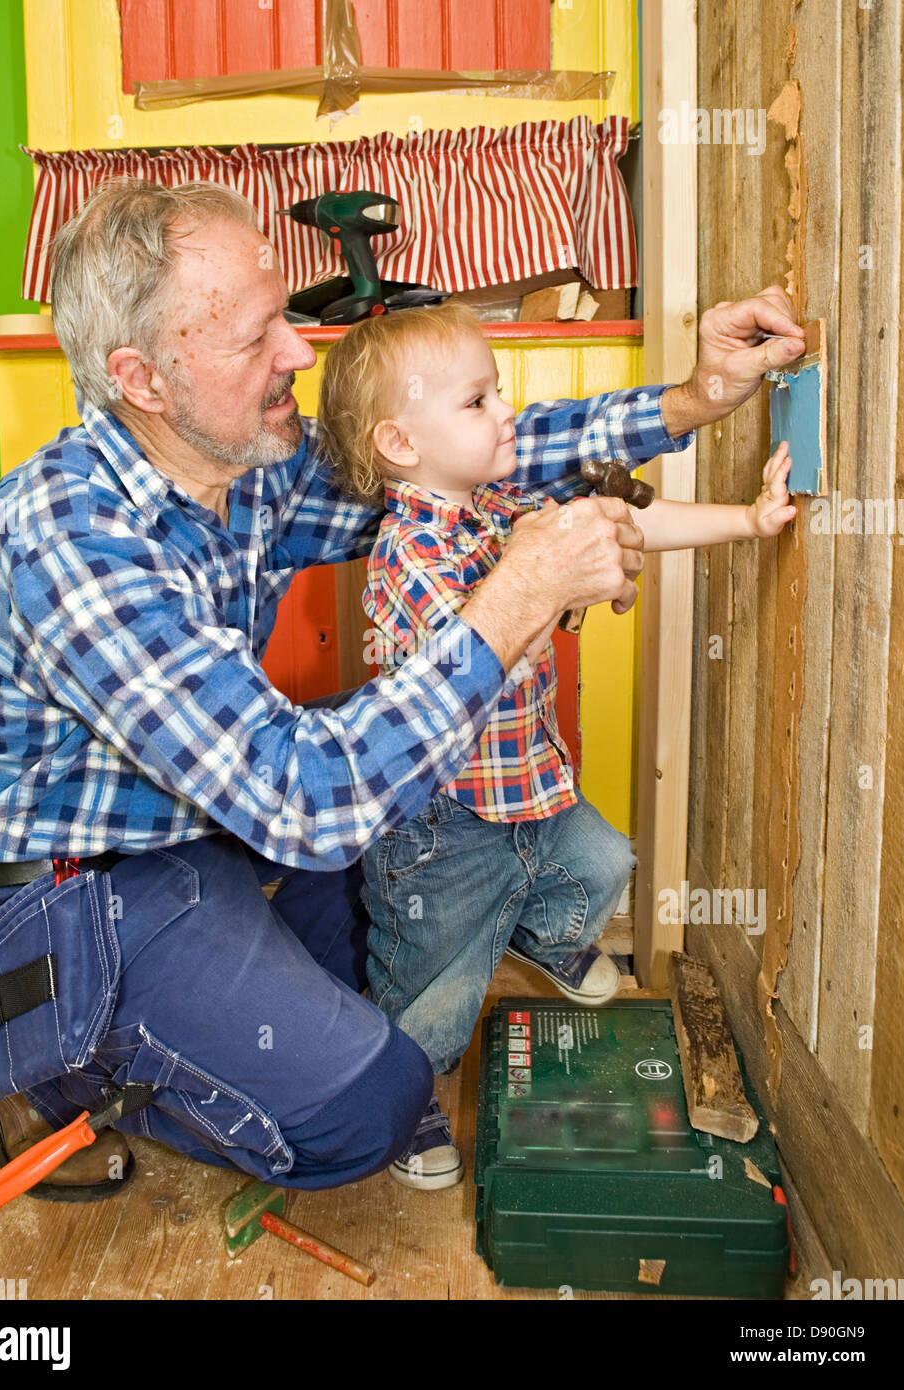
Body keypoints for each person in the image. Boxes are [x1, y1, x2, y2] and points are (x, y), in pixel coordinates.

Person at [0, 177, 805, 1200]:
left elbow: (459, 454)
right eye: (260, 338)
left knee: (401, 895)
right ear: (144, 378)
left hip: (199, 829)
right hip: (77, 889)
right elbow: (304, 799)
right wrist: (519, 594)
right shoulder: (67, 539)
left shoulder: (242, 467)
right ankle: (47, 1056)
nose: (302, 353)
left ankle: (218, 986)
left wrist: (693, 400)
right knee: (373, 1105)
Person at [317, 301, 797, 1188]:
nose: (508, 413)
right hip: (441, 828)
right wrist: (552, 587)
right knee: (436, 984)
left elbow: (628, 529)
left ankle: (538, 931)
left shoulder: (502, 503)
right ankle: (403, 1091)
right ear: (399, 443)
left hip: (530, 787)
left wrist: (746, 520)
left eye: (498, 392)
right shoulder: (405, 559)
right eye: (478, 401)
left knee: (607, 861)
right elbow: (479, 662)